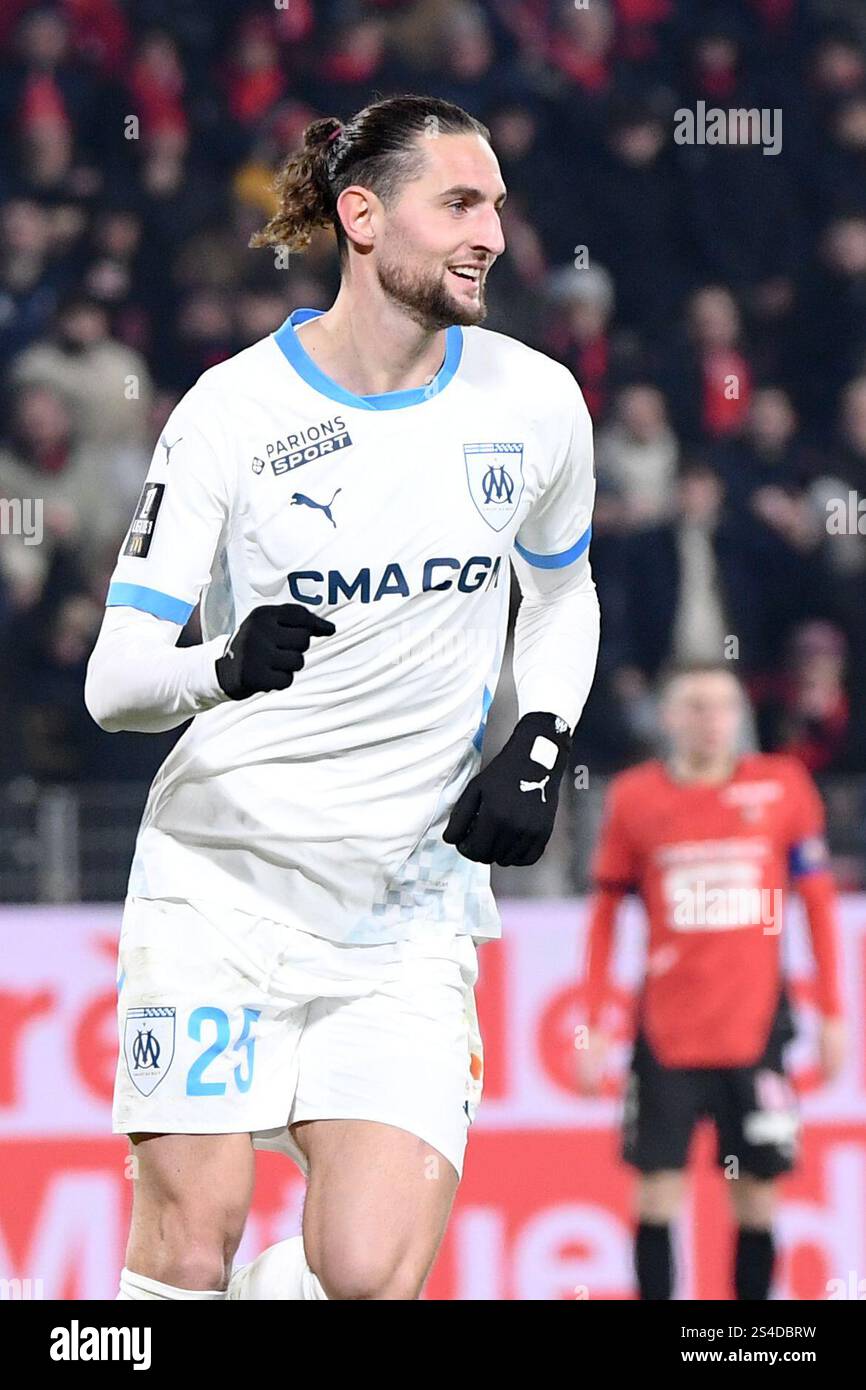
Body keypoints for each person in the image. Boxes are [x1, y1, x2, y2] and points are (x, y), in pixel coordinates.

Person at [84, 93, 600, 1301]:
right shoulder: (233, 411)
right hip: (223, 886)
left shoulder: (532, 404)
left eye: (498, 209)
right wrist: (220, 664)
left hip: (405, 907)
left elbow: (561, 597)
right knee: (189, 1239)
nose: (490, 236)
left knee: (366, 1275)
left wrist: (536, 740)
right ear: (362, 218)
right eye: (459, 204)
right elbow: (114, 681)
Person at [577, 663, 844, 1300]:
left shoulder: (783, 789)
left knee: (756, 1194)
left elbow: (819, 905)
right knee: (657, 1190)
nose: (710, 720)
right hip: (667, 1031)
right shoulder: (636, 799)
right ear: (669, 717)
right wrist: (594, 1023)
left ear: (740, 716)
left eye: (723, 706)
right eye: (694, 706)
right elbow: (605, 915)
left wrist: (834, 1011)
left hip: (756, 1030)